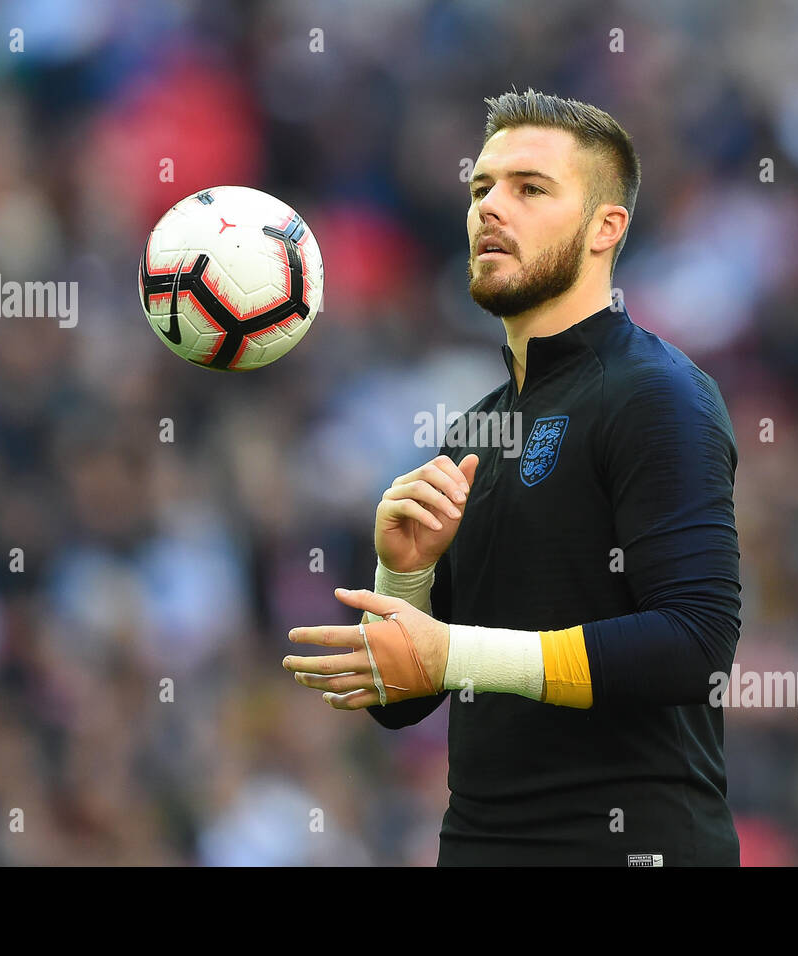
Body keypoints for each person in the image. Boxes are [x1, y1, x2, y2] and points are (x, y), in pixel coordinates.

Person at [283, 88, 742, 866]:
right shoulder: (475, 431)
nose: (492, 207)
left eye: (530, 188)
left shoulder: (657, 393)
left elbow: (695, 645)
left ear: (607, 228)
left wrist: (455, 653)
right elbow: (406, 704)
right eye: (481, 188)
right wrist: (406, 577)